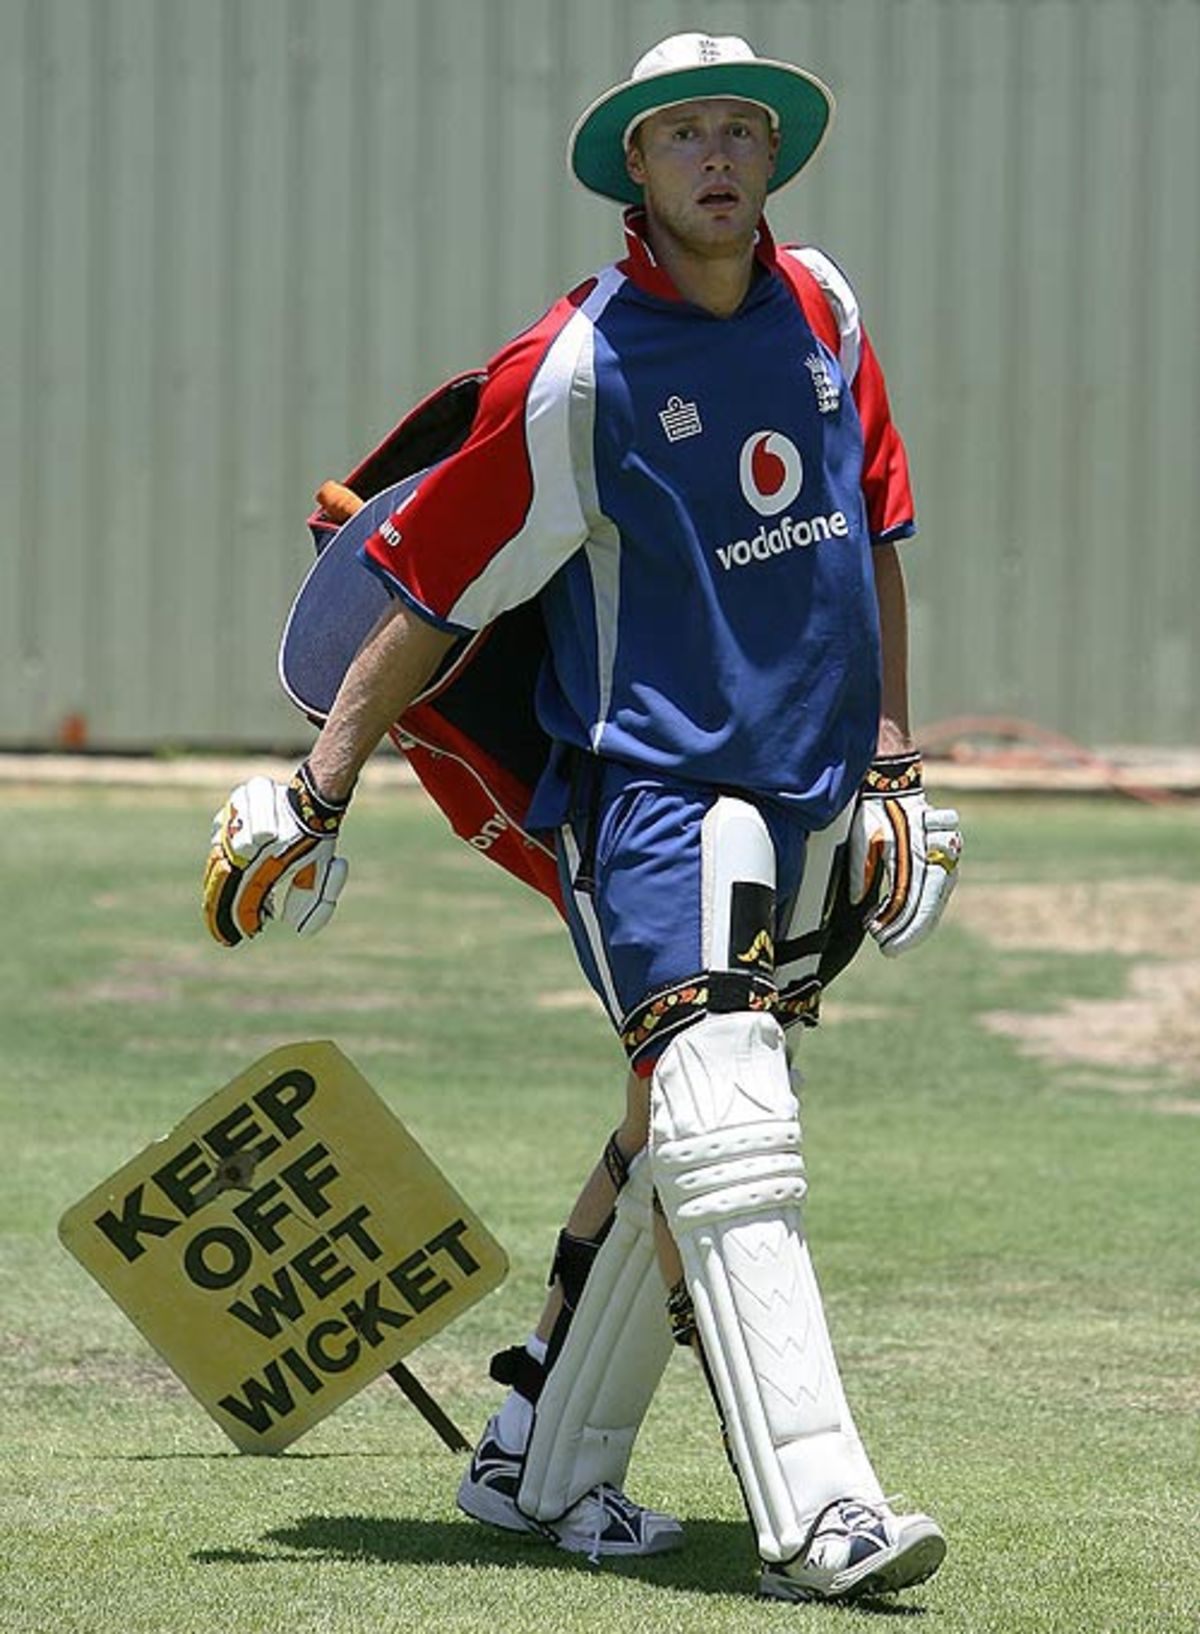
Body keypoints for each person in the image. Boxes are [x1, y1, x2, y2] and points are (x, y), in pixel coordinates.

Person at [203, 32, 962, 1604]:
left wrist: (892, 760)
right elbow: (428, 584)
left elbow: (872, 525)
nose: (717, 158)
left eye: (741, 131)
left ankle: (533, 1462)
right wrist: (318, 783)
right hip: (655, 798)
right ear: (636, 165)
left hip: (816, 791)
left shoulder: (828, 309)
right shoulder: (581, 368)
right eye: (683, 133)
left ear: (773, 156)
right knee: (731, 1108)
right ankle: (824, 1509)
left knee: (677, 1136)